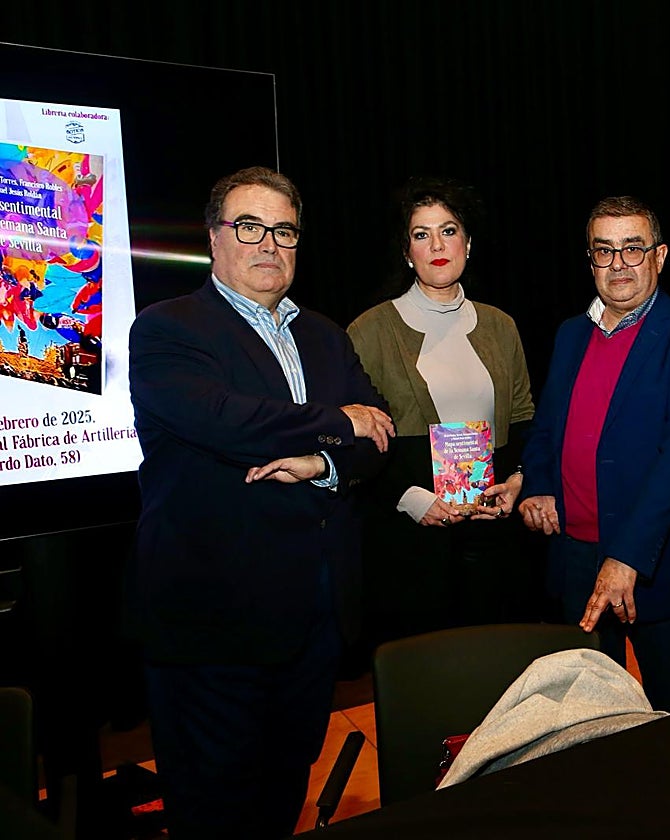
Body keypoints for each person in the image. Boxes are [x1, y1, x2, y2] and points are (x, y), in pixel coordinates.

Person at [126, 166, 395, 839]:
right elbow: (224, 419)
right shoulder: (166, 328)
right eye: (249, 227)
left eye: (285, 230)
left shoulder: (326, 334)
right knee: (213, 809)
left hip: (315, 620)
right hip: (214, 626)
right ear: (214, 237)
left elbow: (379, 433)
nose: (269, 243)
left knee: (282, 794)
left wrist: (322, 461)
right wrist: (337, 421)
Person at [518, 195, 670, 713]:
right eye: (604, 250)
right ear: (590, 259)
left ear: (660, 256)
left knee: (669, 707)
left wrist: (627, 556)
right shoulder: (571, 334)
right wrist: (538, 483)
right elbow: (548, 425)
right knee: (588, 709)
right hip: (575, 555)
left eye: (633, 249)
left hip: (651, 560)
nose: (618, 264)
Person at [346, 175, 539, 647]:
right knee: (427, 669)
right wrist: (412, 499)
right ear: (406, 251)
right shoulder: (370, 330)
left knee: (494, 660)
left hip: (491, 531)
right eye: (422, 233)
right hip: (410, 538)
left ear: (468, 244)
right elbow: (354, 438)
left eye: (448, 230)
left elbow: (523, 417)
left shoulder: (500, 325)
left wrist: (518, 479)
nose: (437, 245)